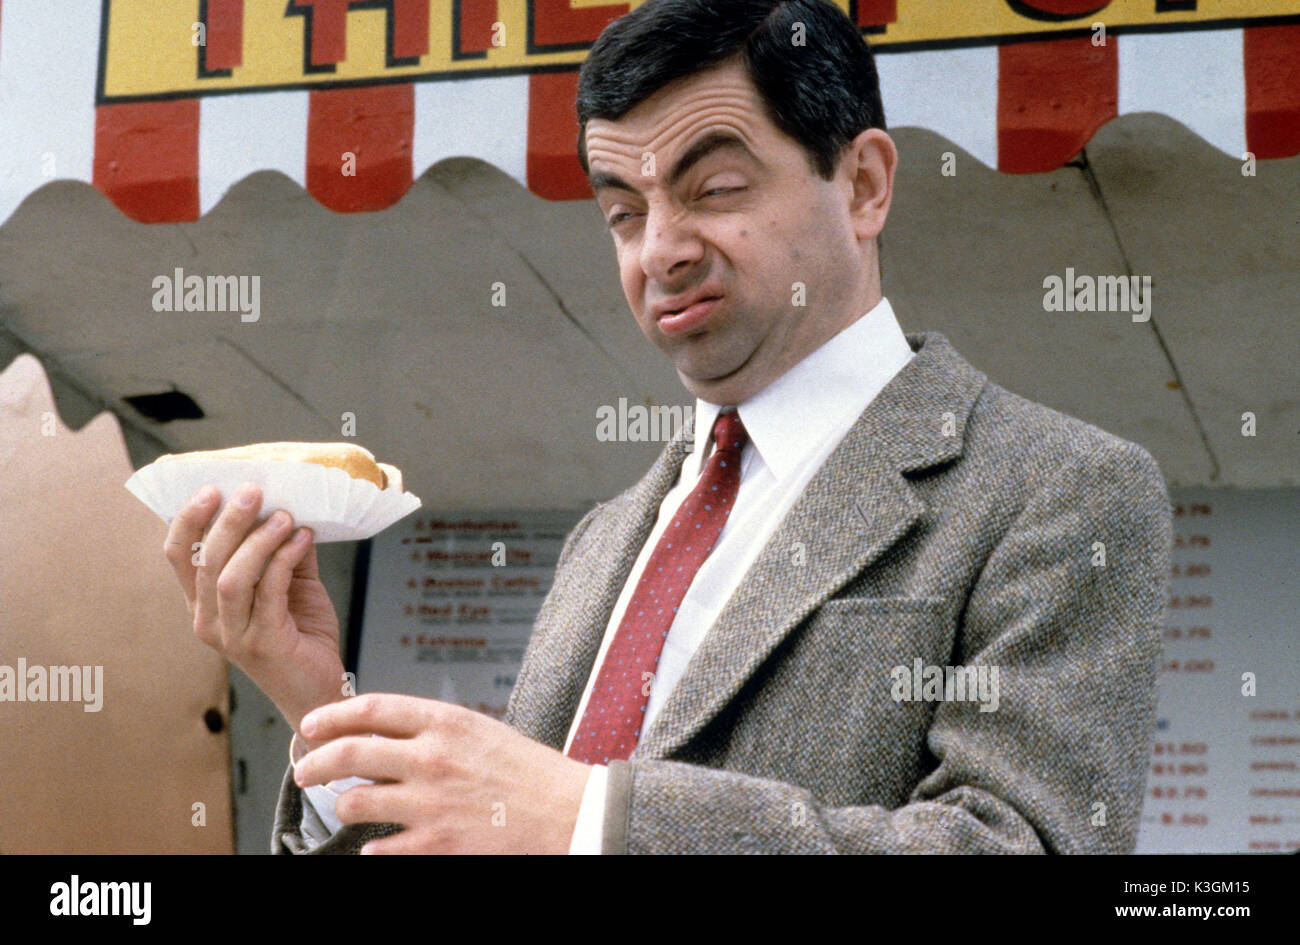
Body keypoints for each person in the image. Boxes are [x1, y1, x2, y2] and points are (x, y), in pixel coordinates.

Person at [165, 0, 1171, 854]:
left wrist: (596, 816)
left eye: (714, 189)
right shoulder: (605, 535)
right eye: (623, 213)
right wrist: (323, 713)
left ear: (862, 183)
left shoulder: (1060, 489)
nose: (661, 251)